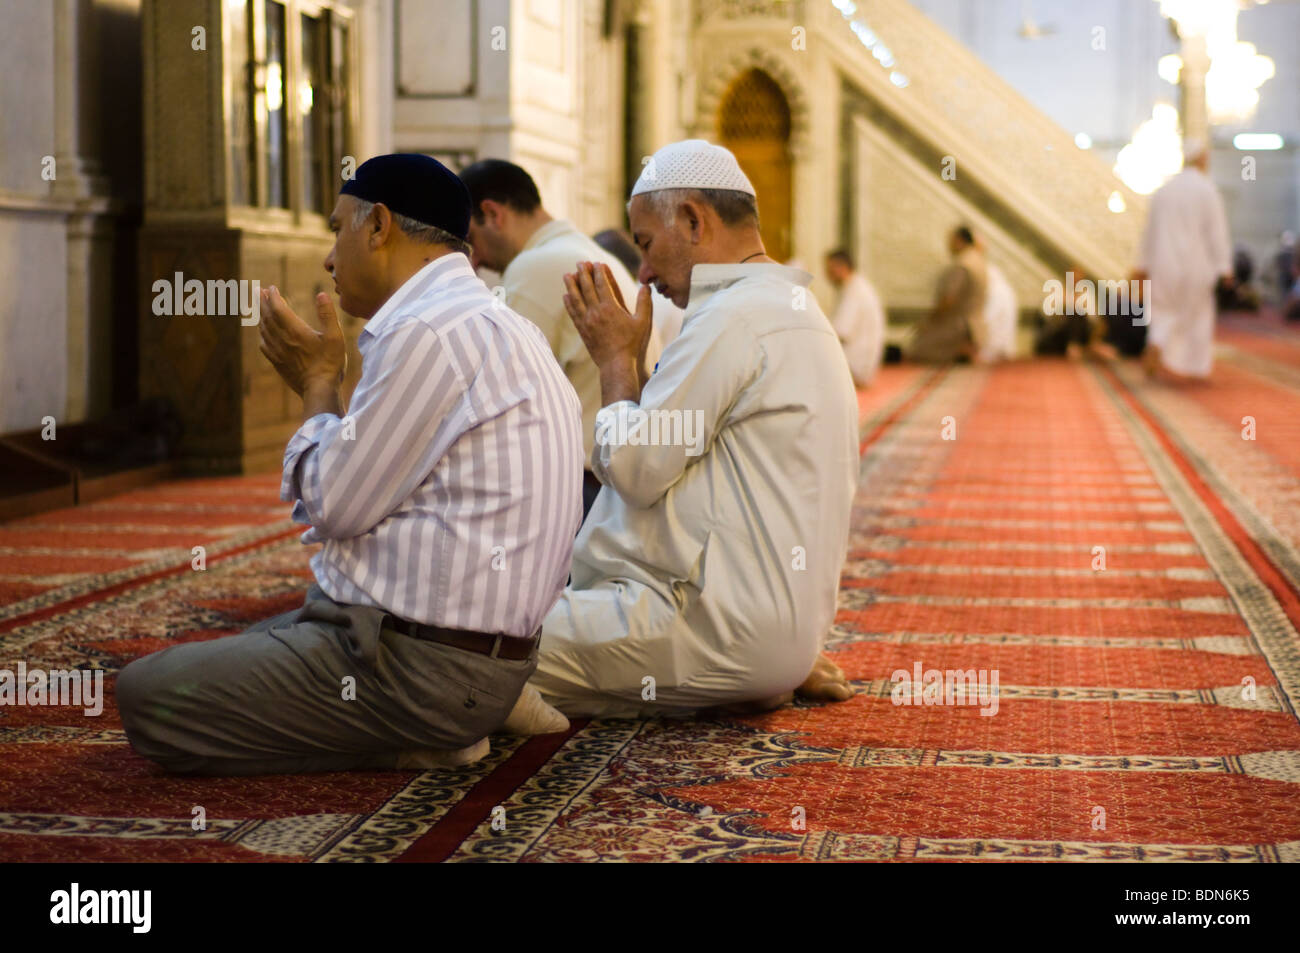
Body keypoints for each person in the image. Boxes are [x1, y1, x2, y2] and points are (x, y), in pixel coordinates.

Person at [116, 154, 584, 774]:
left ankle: (424, 736)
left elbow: (335, 506)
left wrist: (316, 386)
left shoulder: (426, 331)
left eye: (338, 230)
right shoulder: (502, 323)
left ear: (380, 226)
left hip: (419, 672)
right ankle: (477, 708)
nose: (330, 259)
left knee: (147, 695)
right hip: (480, 654)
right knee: (254, 642)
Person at [502, 139, 858, 732]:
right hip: (770, 629)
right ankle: (746, 678)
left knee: (456, 646)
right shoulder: (793, 307)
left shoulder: (733, 318)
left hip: (704, 623)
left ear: (694, 219)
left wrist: (616, 364)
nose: (642, 271)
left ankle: (739, 674)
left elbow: (638, 472)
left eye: (644, 244)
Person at [459, 159, 661, 517]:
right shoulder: (584, 252)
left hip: (580, 484)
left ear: (492, 214)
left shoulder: (536, 265)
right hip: (613, 479)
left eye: (471, 241)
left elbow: (493, 398)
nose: (474, 263)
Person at [1135, 138, 1232, 382]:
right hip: (1197, 265)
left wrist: (1141, 266)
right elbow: (1216, 232)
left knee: (1162, 311)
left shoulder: (1163, 191)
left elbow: (1149, 232)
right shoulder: (1207, 190)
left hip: (1163, 264)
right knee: (1198, 316)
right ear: (1202, 159)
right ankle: (1196, 368)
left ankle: (1156, 345)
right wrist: (1224, 267)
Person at [908, 225, 988, 363]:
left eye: (950, 240)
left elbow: (948, 300)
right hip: (977, 327)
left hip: (960, 327)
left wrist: (929, 320)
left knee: (916, 348)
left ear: (959, 240)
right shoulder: (979, 262)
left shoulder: (962, 264)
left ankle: (960, 352)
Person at [824, 248, 885, 387]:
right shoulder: (857, 286)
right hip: (861, 364)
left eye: (830, 270)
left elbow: (840, 333)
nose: (827, 275)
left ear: (841, 267)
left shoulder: (854, 291)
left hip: (855, 366)